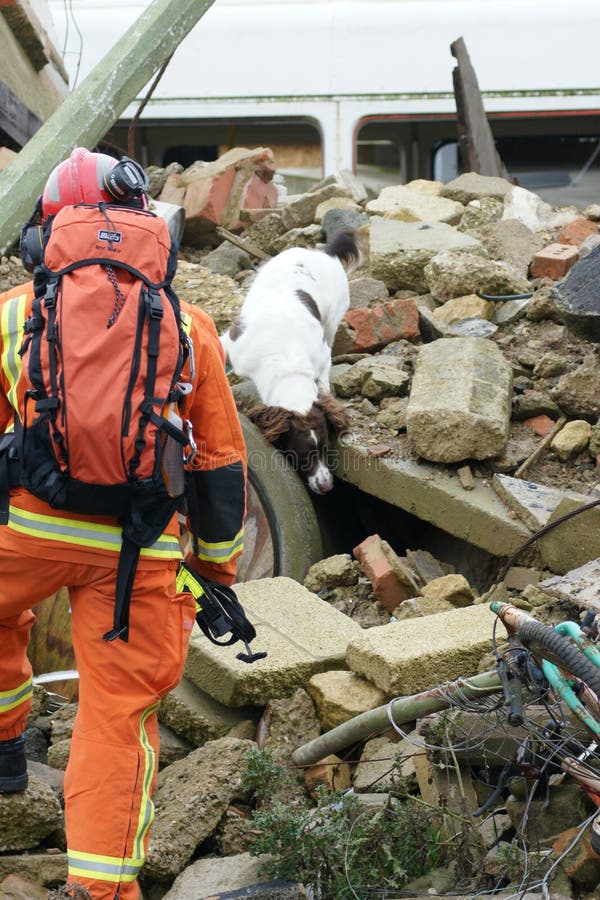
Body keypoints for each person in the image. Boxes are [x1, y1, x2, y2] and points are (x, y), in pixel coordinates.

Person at [0, 148, 247, 900]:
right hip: (138, 550)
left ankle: (7, 745)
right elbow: (219, 465)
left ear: (52, 228)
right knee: (117, 716)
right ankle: (100, 887)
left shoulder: (12, 316)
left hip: (26, 533)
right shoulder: (189, 327)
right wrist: (214, 574)